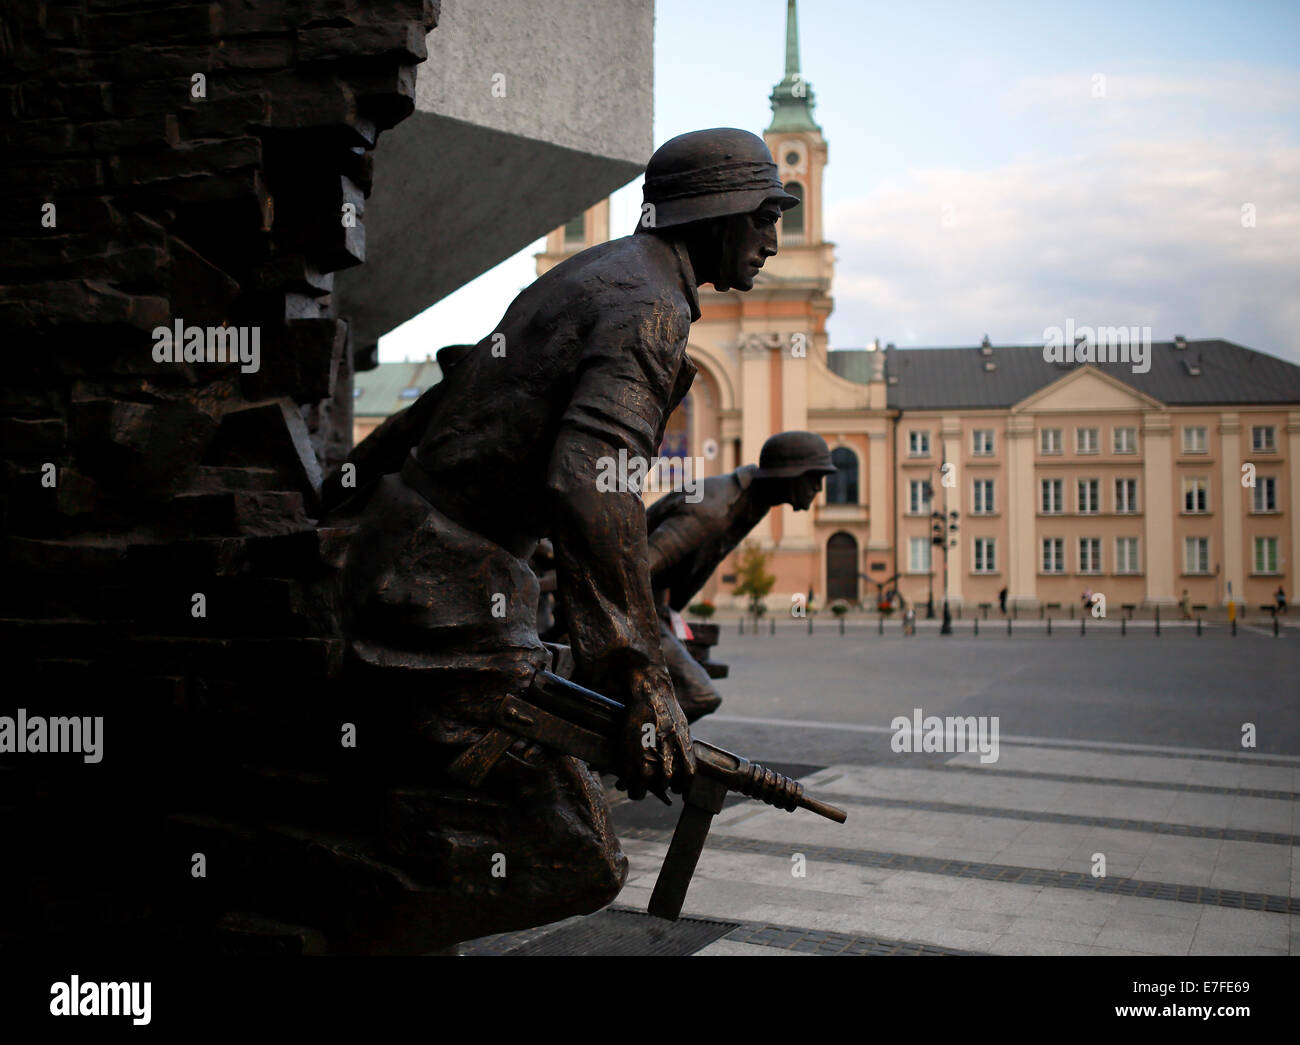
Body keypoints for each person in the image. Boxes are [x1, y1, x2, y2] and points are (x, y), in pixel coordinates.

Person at [327, 128, 800, 948]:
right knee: (573, 851)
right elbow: (593, 480)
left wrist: (346, 495)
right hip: (444, 584)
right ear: (717, 213)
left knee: (452, 791)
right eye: (762, 216)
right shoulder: (647, 307)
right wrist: (636, 668)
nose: (771, 238)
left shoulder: (601, 272)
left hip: (428, 560)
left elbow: (452, 390)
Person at [645, 431, 836, 721]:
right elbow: (636, 567)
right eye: (814, 477)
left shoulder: (750, 502)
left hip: (652, 609)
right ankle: (625, 755)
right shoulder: (713, 509)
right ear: (789, 475)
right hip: (633, 610)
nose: (819, 488)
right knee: (701, 695)